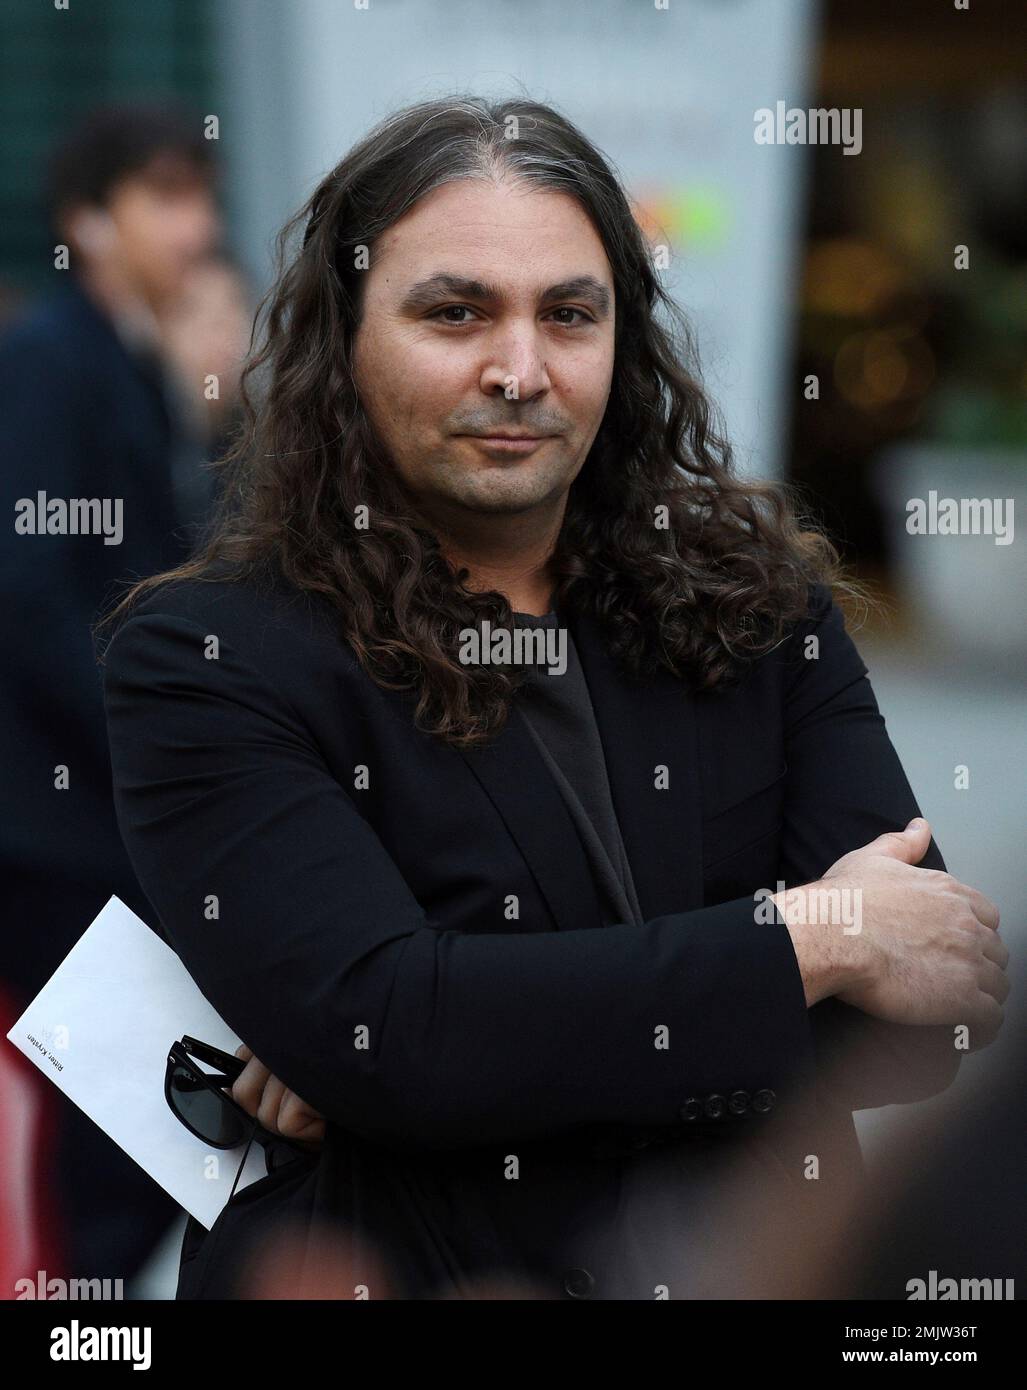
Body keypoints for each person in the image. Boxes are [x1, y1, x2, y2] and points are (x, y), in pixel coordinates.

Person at [98, 95, 1007, 1300]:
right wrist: (816, 936)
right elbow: (405, 1036)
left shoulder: (753, 603)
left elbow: (934, 1001)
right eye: (454, 310)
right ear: (342, 335)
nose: (519, 370)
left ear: (621, 340)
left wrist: (446, 1037)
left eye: (568, 315)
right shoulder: (209, 654)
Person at [0, 102, 223, 1284]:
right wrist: (151, 734)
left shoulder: (130, 358)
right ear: (89, 221)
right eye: (169, 198)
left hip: (95, 820)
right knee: (136, 1140)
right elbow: (29, 589)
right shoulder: (50, 357)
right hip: (59, 833)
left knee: (152, 1143)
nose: (201, 227)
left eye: (202, 197)